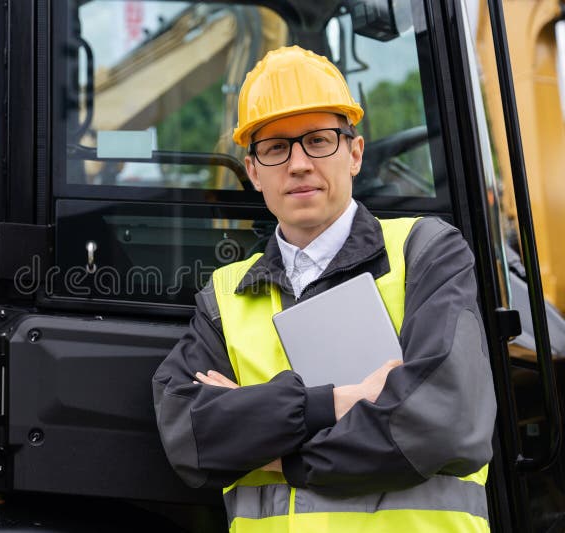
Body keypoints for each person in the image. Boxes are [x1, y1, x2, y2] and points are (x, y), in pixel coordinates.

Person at [152, 45, 496, 532]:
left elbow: (442, 423)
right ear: (252, 171)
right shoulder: (224, 295)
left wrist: (272, 452)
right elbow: (189, 438)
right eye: (275, 148)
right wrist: (341, 401)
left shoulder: (425, 252)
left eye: (318, 140)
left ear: (354, 153)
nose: (298, 164)